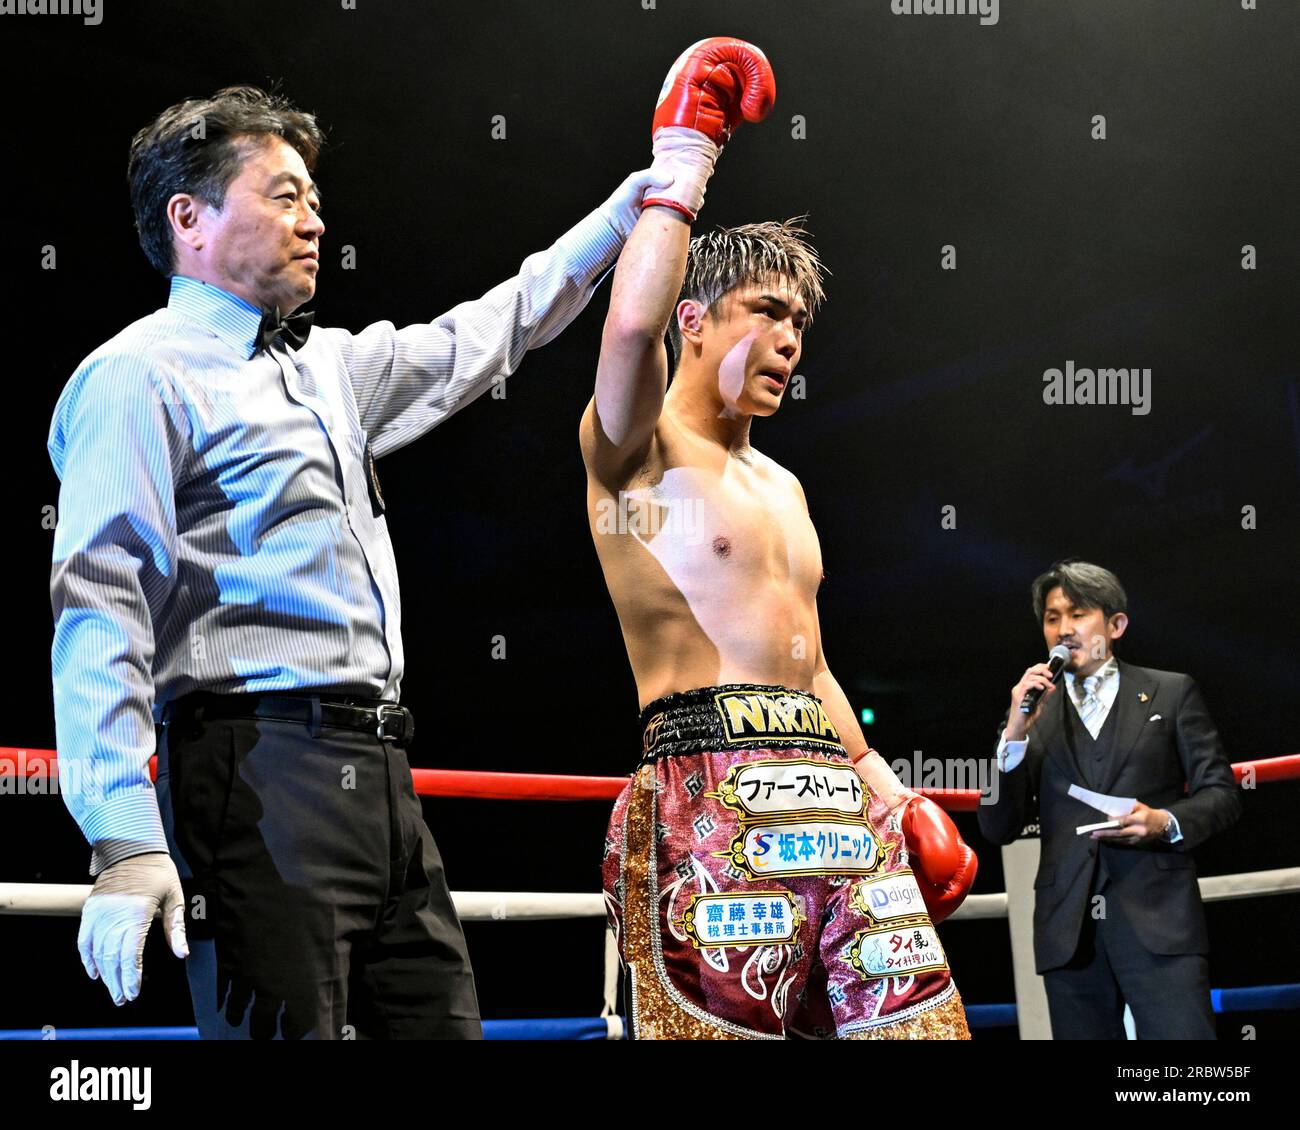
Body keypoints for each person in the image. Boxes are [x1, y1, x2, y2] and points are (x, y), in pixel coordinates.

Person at [48, 84, 666, 1039]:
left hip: (379, 770)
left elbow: (486, 334)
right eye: (285, 196)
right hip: (249, 770)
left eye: (315, 198)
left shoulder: (324, 365)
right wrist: (123, 840)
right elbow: (102, 602)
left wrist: (626, 217)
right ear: (191, 219)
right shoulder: (139, 376)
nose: (316, 219)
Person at [581, 38, 976, 1040]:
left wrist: (888, 788)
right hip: (705, 786)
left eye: (799, 320)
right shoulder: (636, 453)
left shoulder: (785, 484)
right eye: (766, 311)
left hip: (836, 794)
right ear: (696, 320)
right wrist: (684, 162)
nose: (791, 340)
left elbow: (809, 661)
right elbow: (625, 334)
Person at [979, 559, 1241, 1039]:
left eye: (1078, 614)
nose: (1064, 629)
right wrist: (1013, 736)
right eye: (1052, 617)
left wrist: (1163, 821)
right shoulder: (1032, 711)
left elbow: (1222, 794)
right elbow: (997, 827)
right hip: (1068, 929)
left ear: (1115, 624)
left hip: (1158, 919)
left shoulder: (1170, 692)